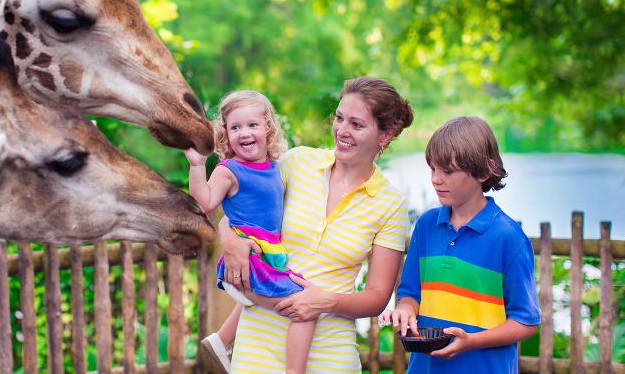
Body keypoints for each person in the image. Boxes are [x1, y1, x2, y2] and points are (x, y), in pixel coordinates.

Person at [218, 76, 414, 372]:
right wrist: (228, 238)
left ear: (384, 135)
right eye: (339, 118)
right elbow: (244, 212)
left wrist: (324, 302)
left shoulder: (391, 204)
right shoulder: (297, 163)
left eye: (356, 124)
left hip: (330, 352)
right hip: (257, 343)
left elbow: (376, 297)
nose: (342, 131)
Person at [379, 116, 540, 373]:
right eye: (432, 168)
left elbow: (526, 321)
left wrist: (471, 342)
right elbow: (410, 293)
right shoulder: (426, 226)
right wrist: (404, 309)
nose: (436, 179)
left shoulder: (508, 238)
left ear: (484, 172)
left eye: (448, 171)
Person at [185, 90, 315, 374]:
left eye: (252, 125)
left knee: (293, 293)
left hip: (265, 257)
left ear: (268, 127)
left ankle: (220, 341)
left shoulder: (272, 166)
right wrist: (197, 165)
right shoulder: (229, 170)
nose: (244, 133)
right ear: (226, 134)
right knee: (305, 309)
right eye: (235, 127)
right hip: (248, 263)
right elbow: (205, 203)